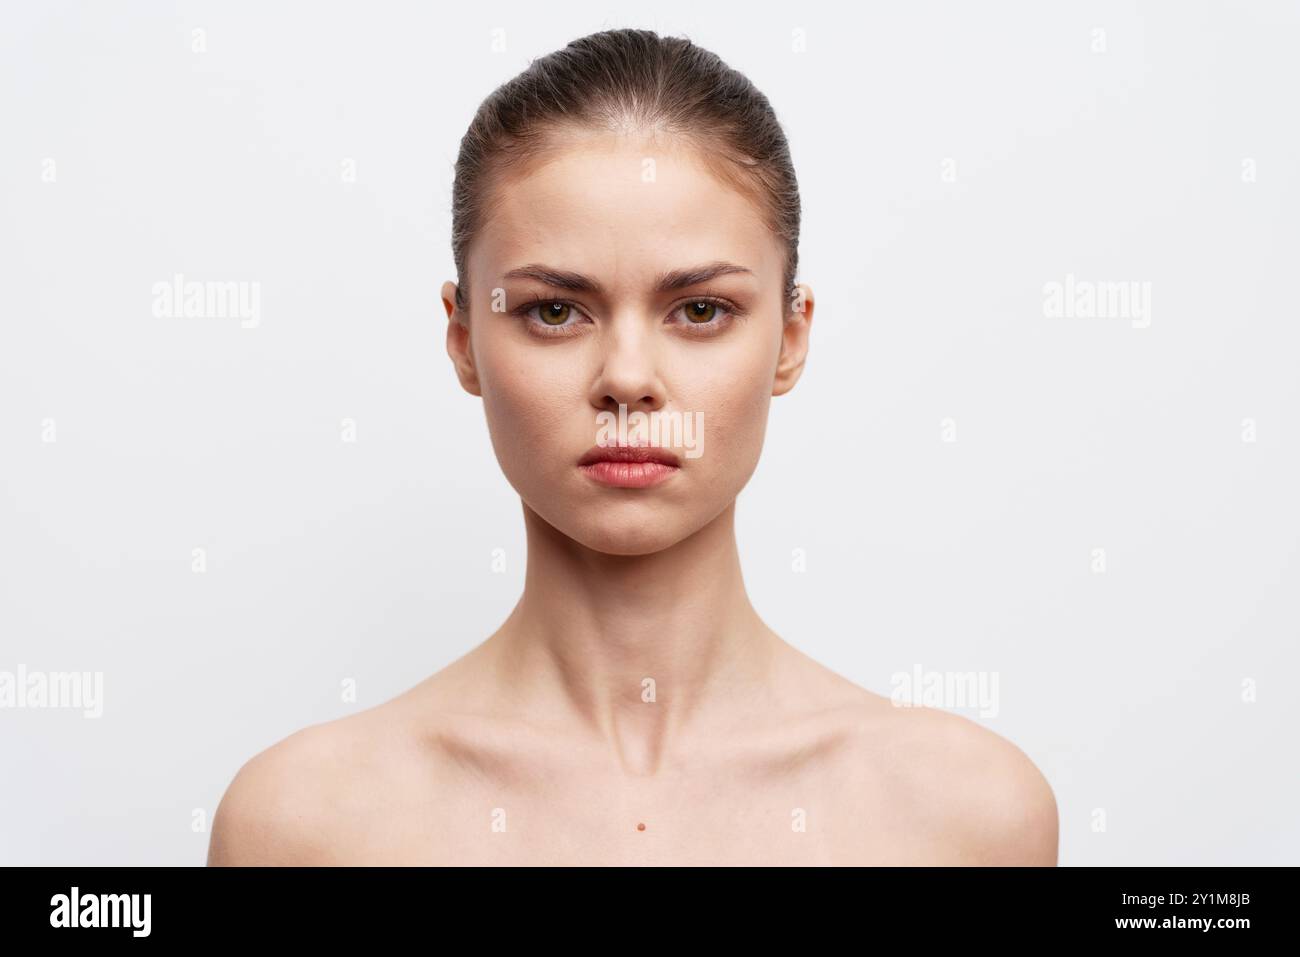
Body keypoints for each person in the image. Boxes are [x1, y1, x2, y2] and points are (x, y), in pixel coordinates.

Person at [208, 27, 1057, 866]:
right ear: (464, 338)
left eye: (699, 310)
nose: (626, 379)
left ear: (791, 338)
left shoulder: (968, 818)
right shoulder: (300, 827)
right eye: (552, 310)